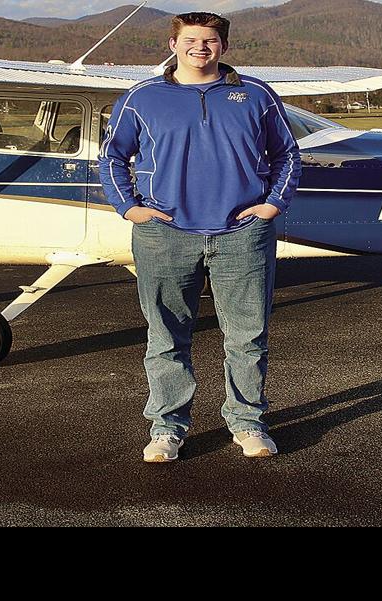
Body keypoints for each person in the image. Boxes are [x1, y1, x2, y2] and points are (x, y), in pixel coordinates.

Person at [99, 11, 302, 463]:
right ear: (173, 45)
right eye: (190, 40)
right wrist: (129, 207)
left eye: (210, 40)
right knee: (166, 336)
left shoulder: (254, 94)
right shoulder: (141, 98)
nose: (200, 48)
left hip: (242, 234)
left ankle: (248, 423)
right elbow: (112, 156)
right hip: (164, 234)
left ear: (223, 47)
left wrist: (272, 205)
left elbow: (287, 153)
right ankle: (167, 429)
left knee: (248, 336)